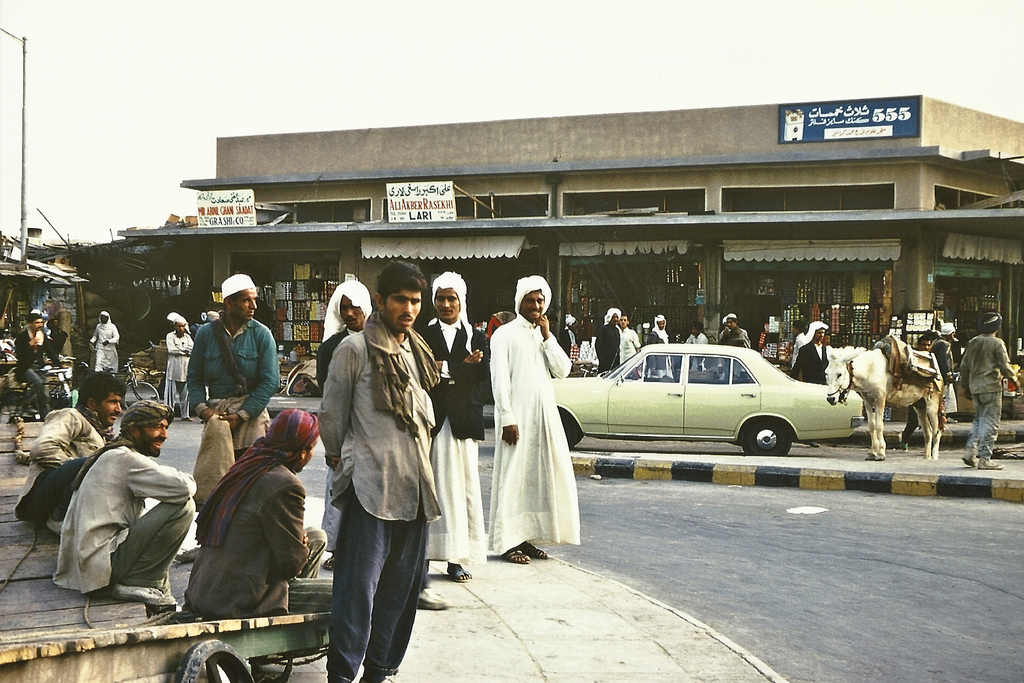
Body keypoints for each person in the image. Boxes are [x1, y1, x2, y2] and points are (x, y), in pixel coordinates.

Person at [321, 261, 441, 683]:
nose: (409, 309)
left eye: (415, 301)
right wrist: (343, 461)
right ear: (380, 301)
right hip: (371, 488)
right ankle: (341, 675)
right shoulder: (354, 349)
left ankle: (378, 672)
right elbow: (332, 419)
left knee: (399, 594)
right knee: (357, 593)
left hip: (415, 489)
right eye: (400, 300)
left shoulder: (415, 348)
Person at [184, 409, 330, 619]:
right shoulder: (286, 485)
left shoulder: (250, 464)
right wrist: (298, 544)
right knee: (348, 595)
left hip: (208, 588)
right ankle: (290, 622)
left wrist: (299, 543)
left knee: (317, 536)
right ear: (303, 452)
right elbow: (292, 564)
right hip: (242, 599)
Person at [54, 401, 195, 613]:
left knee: (158, 518)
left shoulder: (113, 453)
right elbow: (183, 488)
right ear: (134, 431)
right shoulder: (124, 458)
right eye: (157, 427)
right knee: (184, 507)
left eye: (165, 427)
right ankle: (140, 581)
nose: (164, 435)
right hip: (100, 566)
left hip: (88, 564)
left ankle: (156, 590)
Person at [489, 275, 580, 565]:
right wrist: (507, 417)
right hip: (517, 416)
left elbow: (563, 369)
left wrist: (548, 338)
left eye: (540, 300)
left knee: (536, 478)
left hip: (543, 416)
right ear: (520, 302)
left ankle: (526, 539)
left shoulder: (542, 335)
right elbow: (500, 380)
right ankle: (506, 542)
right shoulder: (505, 334)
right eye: (530, 300)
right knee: (513, 477)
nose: (536, 305)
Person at [422, 272, 488, 593]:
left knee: (462, 488)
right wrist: (461, 366)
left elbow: (482, 375)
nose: (446, 304)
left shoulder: (477, 337)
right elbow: (421, 372)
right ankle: (424, 555)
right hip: (431, 422)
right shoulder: (422, 333)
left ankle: (455, 557)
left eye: (452, 299)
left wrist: (444, 367)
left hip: (462, 422)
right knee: (431, 484)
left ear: (462, 301)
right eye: (440, 298)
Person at [15, 372, 125, 529]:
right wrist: (81, 468)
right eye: (113, 402)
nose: (119, 409)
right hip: (43, 497)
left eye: (119, 403)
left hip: (69, 495)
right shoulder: (71, 416)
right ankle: (58, 519)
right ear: (92, 404)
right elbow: (42, 448)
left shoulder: (101, 431)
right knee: (92, 464)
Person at [187, 273, 278, 457]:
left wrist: (242, 415)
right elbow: (194, 377)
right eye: (246, 301)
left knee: (251, 475)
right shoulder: (205, 334)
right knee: (218, 475)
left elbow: (270, 382)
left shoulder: (262, 334)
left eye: (254, 300)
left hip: (251, 418)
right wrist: (203, 411)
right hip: (217, 417)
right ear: (229, 303)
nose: (254, 306)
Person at [316, 279, 371, 570]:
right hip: (343, 428)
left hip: (373, 429)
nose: (350, 313)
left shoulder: (380, 342)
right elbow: (329, 400)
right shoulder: (330, 348)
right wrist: (332, 443)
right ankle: (337, 549)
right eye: (344, 308)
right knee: (339, 488)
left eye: (355, 307)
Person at [960, 312, 1015, 470]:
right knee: (990, 423)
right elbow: (1004, 365)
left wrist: (965, 386)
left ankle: (970, 452)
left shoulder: (973, 342)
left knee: (978, 420)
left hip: (975, 387)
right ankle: (985, 458)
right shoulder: (997, 343)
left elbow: (964, 367)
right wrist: (1014, 380)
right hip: (990, 387)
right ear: (997, 327)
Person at [897, 331, 942, 451]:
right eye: (923, 345)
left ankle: (933, 449)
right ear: (918, 345)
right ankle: (904, 440)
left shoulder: (932, 360)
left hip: (930, 394)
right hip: (914, 396)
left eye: (928, 345)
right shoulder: (913, 359)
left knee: (933, 419)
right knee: (914, 421)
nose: (926, 347)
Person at [14, 311, 59, 419]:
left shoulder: (41, 336)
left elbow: (49, 351)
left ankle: (47, 418)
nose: (40, 325)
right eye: (37, 322)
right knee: (37, 382)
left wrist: (59, 364)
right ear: (30, 324)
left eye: (41, 322)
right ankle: (26, 402)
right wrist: (31, 344)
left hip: (39, 367)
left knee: (44, 394)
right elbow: (20, 356)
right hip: (25, 368)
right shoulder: (22, 338)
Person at [164, 313, 193, 421]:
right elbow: (172, 350)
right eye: (179, 326)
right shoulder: (170, 336)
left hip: (185, 368)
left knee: (185, 394)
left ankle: (185, 415)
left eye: (183, 326)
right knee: (170, 394)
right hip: (174, 368)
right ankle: (168, 414)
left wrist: (180, 349)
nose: (181, 328)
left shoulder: (188, 337)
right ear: (174, 326)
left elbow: (192, 349)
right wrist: (184, 350)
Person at [934, 322, 958, 414]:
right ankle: (943, 414)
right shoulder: (944, 344)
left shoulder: (937, 342)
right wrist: (948, 373)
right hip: (942, 375)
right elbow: (943, 359)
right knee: (944, 396)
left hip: (938, 373)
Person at [595, 307, 621, 372]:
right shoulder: (603, 329)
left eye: (617, 317)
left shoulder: (617, 330)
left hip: (615, 361)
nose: (615, 319)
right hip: (605, 362)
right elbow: (598, 345)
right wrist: (602, 358)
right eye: (613, 317)